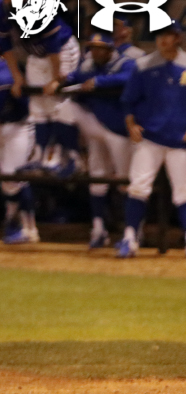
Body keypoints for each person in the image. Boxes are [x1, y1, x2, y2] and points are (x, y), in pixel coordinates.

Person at [118, 20, 186, 259]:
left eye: (168, 35)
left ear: (178, 37)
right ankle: (129, 238)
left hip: (181, 137)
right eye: (159, 35)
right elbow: (128, 100)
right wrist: (131, 124)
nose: (162, 39)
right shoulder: (143, 65)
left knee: (185, 191)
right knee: (138, 187)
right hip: (150, 136)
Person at [0, 0, 81, 177]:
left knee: (59, 103)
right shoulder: (2, 7)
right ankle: (40, 156)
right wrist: (17, 77)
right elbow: (5, 45)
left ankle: (70, 157)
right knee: (37, 105)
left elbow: (53, 45)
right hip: (36, 54)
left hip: (62, 50)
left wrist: (56, 78)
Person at [61, 32, 137, 249]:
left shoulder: (125, 62)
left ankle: (132, 231)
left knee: (125, 182)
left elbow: (129, 77)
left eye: (100, 48)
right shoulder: (88, 65)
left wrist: (100, 82)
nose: (95, 52)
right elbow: (74, 78)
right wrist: (60, 80)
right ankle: (98, 229)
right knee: (97, 177)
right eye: (93, 47)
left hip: (118, 131)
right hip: (96, 126)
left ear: (110, 49)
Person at [0, 56, 36, 244]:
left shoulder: (7, 71)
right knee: (8, 181)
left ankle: (26, 227)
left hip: (17, 126)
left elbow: (25, 107)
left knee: (12, 177)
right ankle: (15, 225)